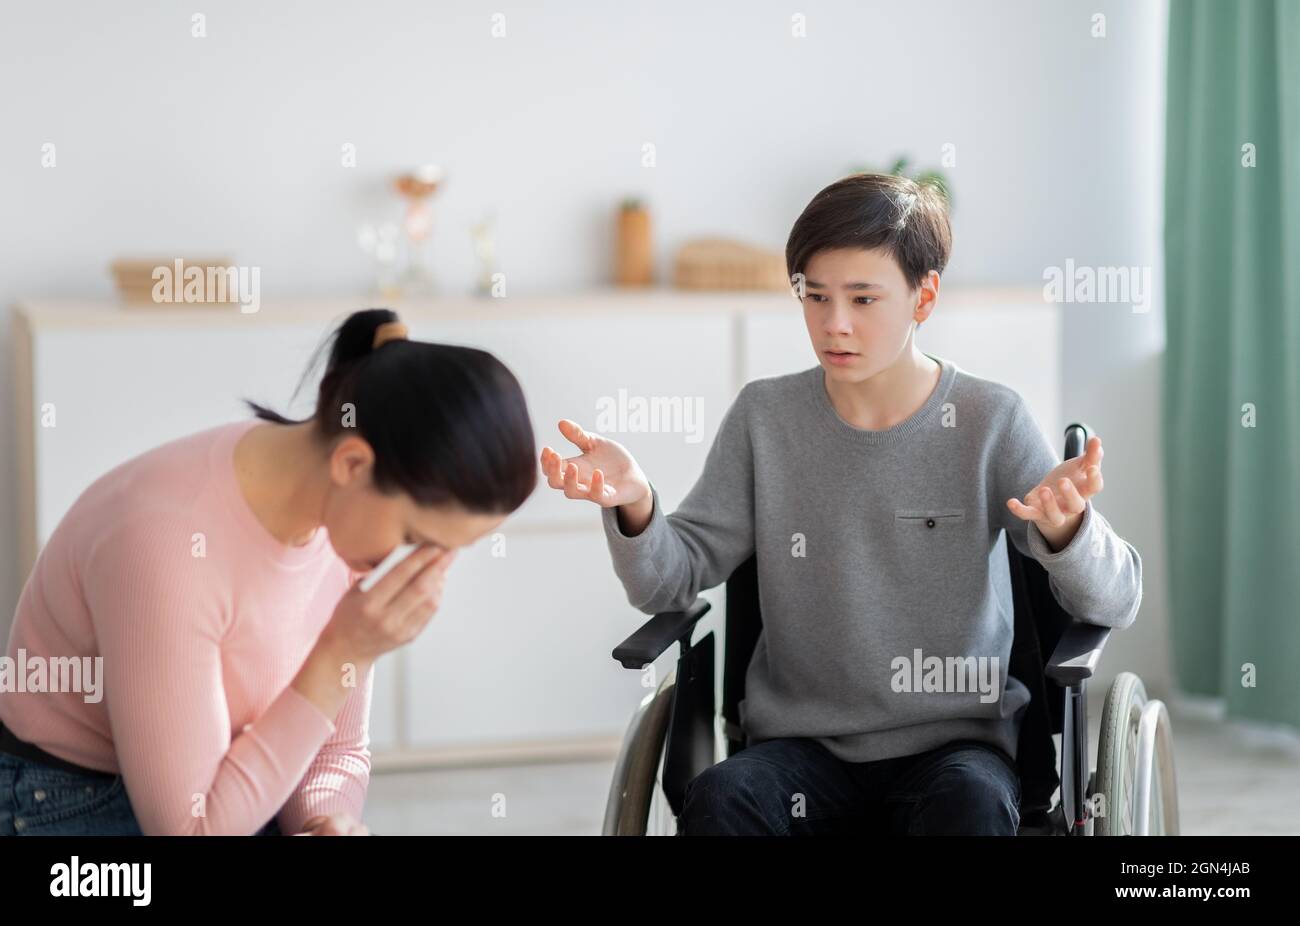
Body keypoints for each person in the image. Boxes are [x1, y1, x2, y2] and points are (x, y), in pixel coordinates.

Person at [539, 173, 1142, 835]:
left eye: (863, 298)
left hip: (957, 748)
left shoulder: (988, 421)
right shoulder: (765, 419)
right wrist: (635, 502)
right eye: (816, 296)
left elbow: (1113, 602)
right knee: (719, 801)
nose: (835, 324)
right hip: (800, 750)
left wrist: (1070, 531)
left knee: (969, 807)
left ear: (925, 295)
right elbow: (669, 582)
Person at [0, 308, 537, 835]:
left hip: (230, 786)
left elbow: (337, 748)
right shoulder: (166, 541)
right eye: (418, 539)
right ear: (352, 464)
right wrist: (342, 650)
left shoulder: (344, 518)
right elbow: (192, 829)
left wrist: (328, 820)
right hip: (71, 802)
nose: (420, 569)